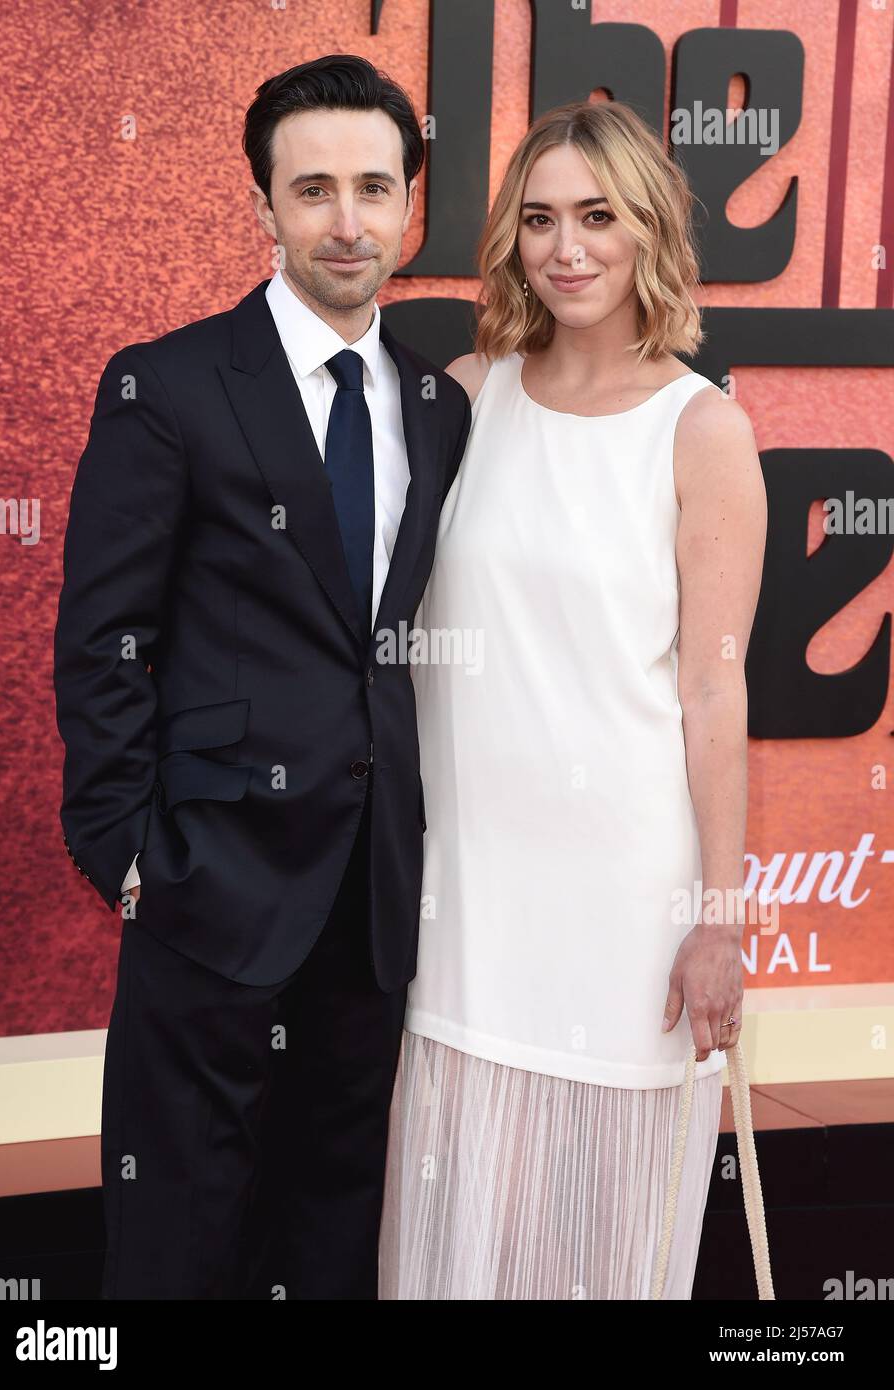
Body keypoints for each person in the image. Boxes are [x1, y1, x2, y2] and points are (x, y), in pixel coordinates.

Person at [53, 54, 471, 1300]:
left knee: (336, 1222)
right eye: (313, 190)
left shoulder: (437, 400)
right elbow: (101, 635)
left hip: (371, 897)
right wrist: (129, 852)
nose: (347, 221)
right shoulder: (168, 385)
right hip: (207, 884)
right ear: (263, 208)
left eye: (373, 188)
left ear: (411, 204)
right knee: (180, 1230)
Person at [378, 99, 767, 1300]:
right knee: (456, 1223)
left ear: (649, 226)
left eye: (599, 215)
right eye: (540, 218)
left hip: (625, 904)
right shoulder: (463, 394)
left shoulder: (700, 428)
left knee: (600, 1242)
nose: (569, 247)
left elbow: (710, 687)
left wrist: (718, 915)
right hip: (465, 898)